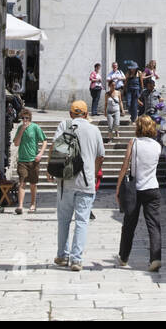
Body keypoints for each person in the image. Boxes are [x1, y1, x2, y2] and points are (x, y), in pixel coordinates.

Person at [52, 100, 105, 272]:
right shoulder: (94, 129)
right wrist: (93, 172)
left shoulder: (64, 125)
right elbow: (100, 156)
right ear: (87, 113)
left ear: (70, 114)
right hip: (86, 182)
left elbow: (55, 148)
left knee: (64, 220)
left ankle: (62, 255)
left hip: (65, 180)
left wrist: (51, 170)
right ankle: (76, 259)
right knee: (82, 221)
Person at [116, 114, 163, 272]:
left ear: (138, 127)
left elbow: (125, 166)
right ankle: (155, 258)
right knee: (154, 225)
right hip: (153, 188)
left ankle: (123, 257)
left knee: (129, 224)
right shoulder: (157, 146)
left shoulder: (134, 142)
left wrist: (118, 188)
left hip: (135, 189)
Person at [13, 109, 46, 214]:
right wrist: (22, 130)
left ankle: (32, 204)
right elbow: (16, 143)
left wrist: (40, 154)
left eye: (26, 118)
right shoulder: (20, 128)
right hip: (22, 159)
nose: (24, 120)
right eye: (23, 118)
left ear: (30, 118)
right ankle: (20, 206)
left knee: (33, 183)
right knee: (22, 182)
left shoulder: (35, 127)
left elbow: (44, 140)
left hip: (33, 160)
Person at [104, 75, 122, 141]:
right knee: (110, 126)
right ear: (109, 86)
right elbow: (105, 103)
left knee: (116, 124)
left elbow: (120, 102)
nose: (114, 86)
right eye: (112, 85)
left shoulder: (118, 92)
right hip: (109, 111)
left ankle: (117, 131)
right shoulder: (107, 94)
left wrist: (122, 110)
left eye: (114, 85)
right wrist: (105, 111)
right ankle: (110, 138)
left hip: (116, 110)